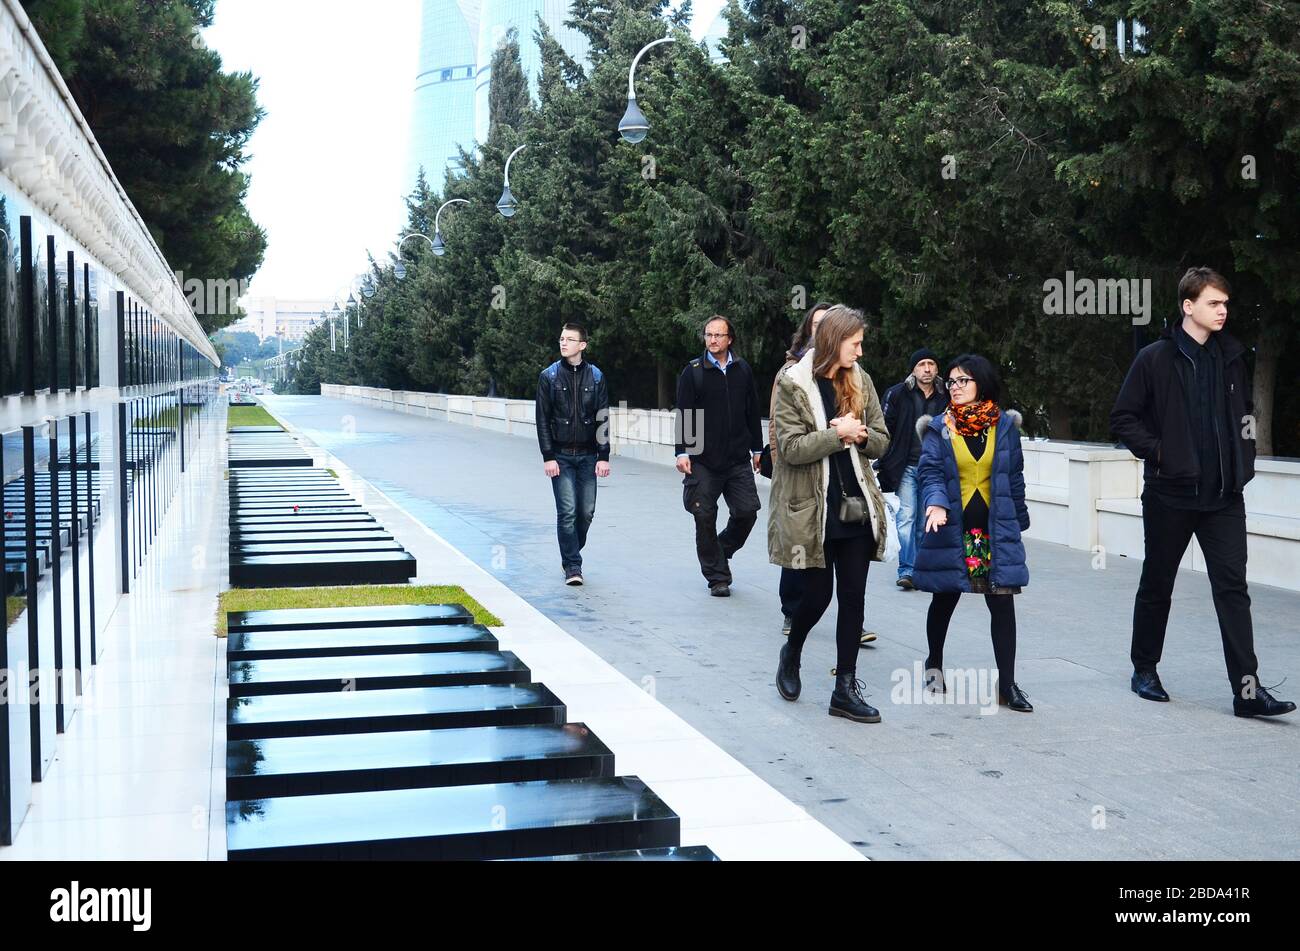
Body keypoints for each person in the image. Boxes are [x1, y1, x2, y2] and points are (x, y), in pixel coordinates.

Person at [1110, 267, 1294, 718]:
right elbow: (1124, 418)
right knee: (1158, 583)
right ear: (1188, 306)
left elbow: (1246, 415)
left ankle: (1247, 692)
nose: (1223, 310)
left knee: (1233, 589)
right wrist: (1161, 454)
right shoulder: (1155, 359)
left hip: (1224, 497)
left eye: (1226, 303)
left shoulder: (1231, 358)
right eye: (1214, 303)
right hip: (1170, 495)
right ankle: (1144, 669)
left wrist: (1244, 459)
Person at [769, 305, 890, 723]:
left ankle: (844, 688)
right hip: (815, 508)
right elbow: (791, 448)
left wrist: (861, 435)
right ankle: (793, 651)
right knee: (817, 595)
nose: (859, 351)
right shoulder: (793, 383)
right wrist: (837, 435)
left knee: (853, 597)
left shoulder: (861, 380)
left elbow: (882, 439)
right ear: (835, 341)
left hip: (856, 505)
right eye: (855, 344)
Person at [914, 354, 1033, 712]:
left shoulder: (1005, 427)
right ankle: (934, 664)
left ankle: (1007, 685)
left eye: (963, 380)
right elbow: (930, 471)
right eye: (951, 382)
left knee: (1002, 601)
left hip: (993, 530)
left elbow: (1014, 476)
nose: (956, 387)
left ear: (982, 383)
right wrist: (935, 503)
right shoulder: (940, 427)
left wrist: (1019, 519)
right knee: (945, 597)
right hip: (954, 528)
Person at [675, 315, 764, 597]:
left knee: (748, 512)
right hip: (703, 459)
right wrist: (682, 451)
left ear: (730, 339)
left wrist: (758, 449)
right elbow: (685, 413)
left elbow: (752, 410)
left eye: (718, 335)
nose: (712, 340)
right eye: (708, 335)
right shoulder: (693, 371)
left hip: (738, 458)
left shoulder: (742, 370)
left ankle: (720, 550)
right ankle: (717, 577)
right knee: (704, 514)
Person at [536, 322, 611, 585]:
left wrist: (604, 456)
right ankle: (573, 566)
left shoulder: (597, 377)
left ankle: (570, 550)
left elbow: (602, 417)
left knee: (586, 512)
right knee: (567, 511)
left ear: (582, 345)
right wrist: (548, 456)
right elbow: (543, 419)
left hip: (589, 456)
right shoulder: (549, 376)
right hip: (561, 455)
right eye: (561, 338)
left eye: (569, 339)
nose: (563, 343)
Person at [876, 348, 947, 590]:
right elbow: (884, 429)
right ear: (913, 369)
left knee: (922, 521)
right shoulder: (897, 394)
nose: (926, 368)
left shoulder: (946, 396)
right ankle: (907, 569)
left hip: (934, 467)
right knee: (906, 516)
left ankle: (917, 569)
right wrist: (883, 461)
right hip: (905, 465)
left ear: (937, 368)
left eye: (931, 364)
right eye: (921, 364)